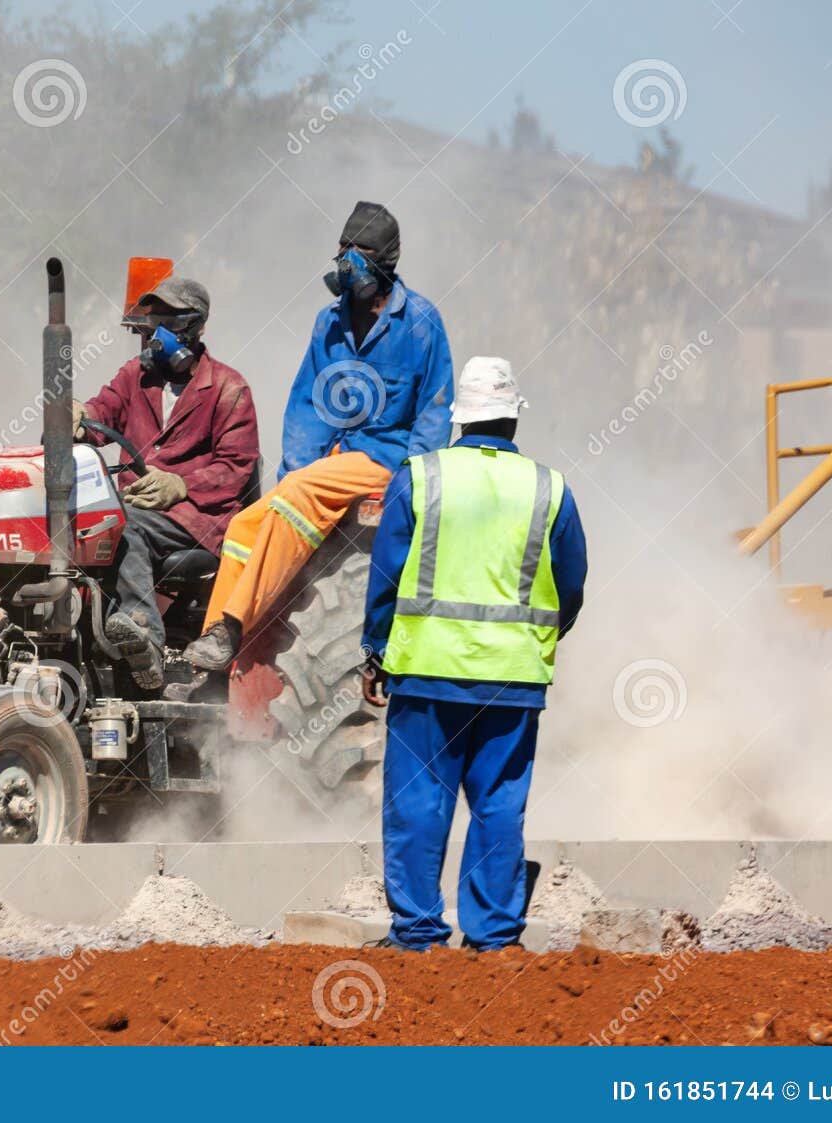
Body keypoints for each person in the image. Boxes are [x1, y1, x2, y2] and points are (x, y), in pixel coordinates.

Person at [360, 356, 587, 952]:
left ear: (459, 419)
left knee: (418, 807)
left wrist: (375, 651)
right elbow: (572, 585)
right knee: (498, 807)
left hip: (427, 675)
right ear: (513, 419)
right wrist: (531, 641)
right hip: (512, 682)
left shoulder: (420, 477)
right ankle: (492, 938)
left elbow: (385, 574)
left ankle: (417, 934)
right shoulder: (549, 488)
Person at [183, 201, 453, 670]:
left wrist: (415, 484)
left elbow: (433, 409)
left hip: (387, 460)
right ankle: (218, 651)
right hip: (336, 461)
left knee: (301, 492)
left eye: (360, 252)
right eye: (343, 250)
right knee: (248, 522)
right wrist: (291, 474)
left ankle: (232, 625)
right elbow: (308, 407)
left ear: (386, 260)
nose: (347, 262)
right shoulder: (330, 322)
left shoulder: (422, 323)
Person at [75, 274, 260, 689]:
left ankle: (145, 638)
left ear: (196, 328)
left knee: (121, 523)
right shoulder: (134, 377)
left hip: (197, 519)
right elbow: (102, 414)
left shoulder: (229, 389)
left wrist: (181, 484)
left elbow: (237, 468)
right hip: (140, 508)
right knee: (81, 524)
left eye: (170, 322)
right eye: (153, 321)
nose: (156, 333)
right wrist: (77, 416)